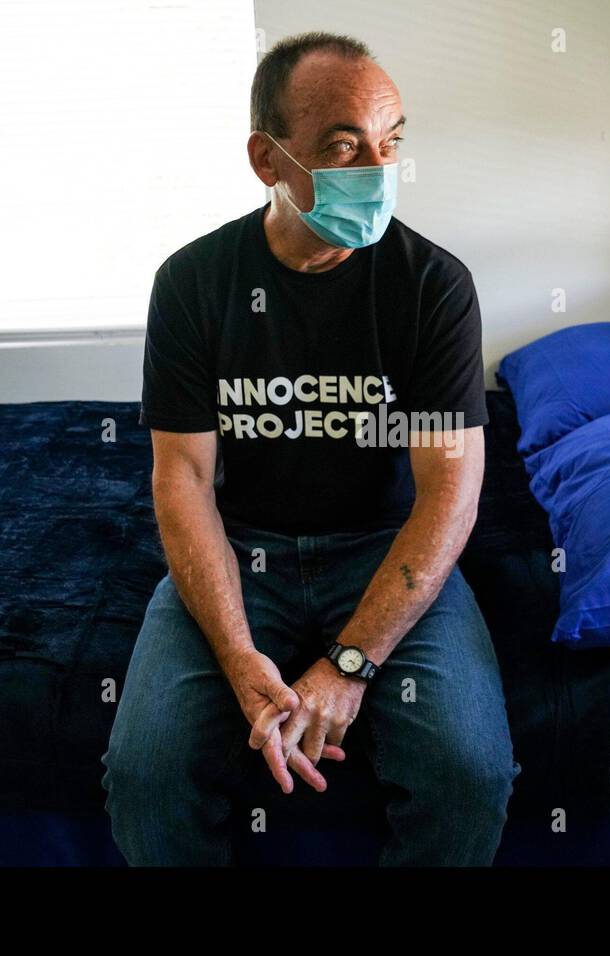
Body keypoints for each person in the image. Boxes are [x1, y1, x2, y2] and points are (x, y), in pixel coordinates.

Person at [101, 31, 519, 866]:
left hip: (383, 549)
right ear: (268, 159)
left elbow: (451, 493)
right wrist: (233, 649)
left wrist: (351, 663)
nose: (377, 168)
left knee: (471, 775)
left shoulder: (433, 286)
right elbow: (181, 478)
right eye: (343, 145)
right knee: (144, 773)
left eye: (390, 141)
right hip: (240, 545)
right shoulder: (193, 283)